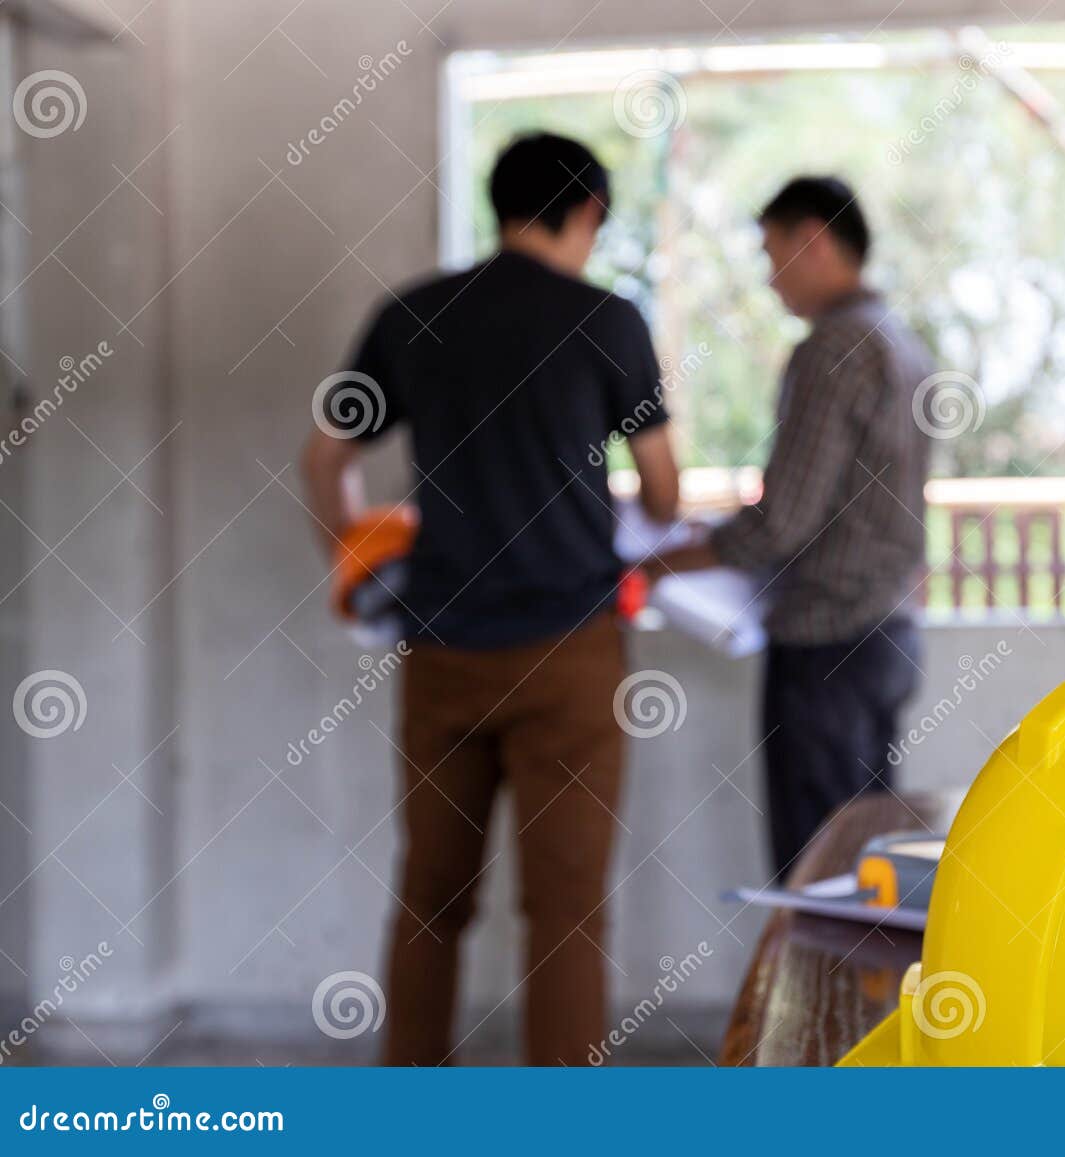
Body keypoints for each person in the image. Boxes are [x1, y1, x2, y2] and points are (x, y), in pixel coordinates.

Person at [299, 132, 679, 1066]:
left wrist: (359, 566)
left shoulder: (415, 314)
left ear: (501, 205)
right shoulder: (610, 322)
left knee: (431, 895)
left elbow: (325, 456)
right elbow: (665, 493)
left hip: (442, 651)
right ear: (587, 211)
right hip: (570, 654)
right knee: (565, 910)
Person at [648, 176, 932, 877]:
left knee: (817, 877)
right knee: (870, 870)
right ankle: (876, 993)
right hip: (887, 634)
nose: (771, 278)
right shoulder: (902, 344)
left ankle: (820, 992)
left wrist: (662, 562)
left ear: (813, 240)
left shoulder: (832, 349)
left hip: (825, 647)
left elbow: (782, 523)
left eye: (774, 253)